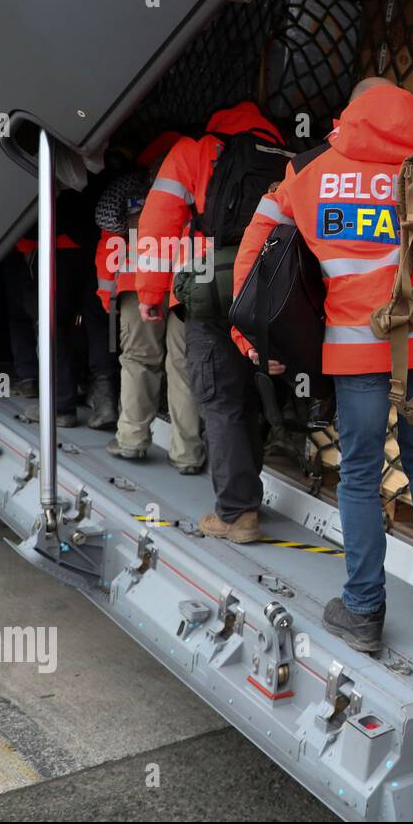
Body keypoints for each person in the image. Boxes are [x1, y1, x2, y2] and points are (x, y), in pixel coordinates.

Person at [233, 77, 413, 648]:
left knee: (361, 475)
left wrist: (249, 335)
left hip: (358, 348)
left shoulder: (308, 169)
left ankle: (365, 609)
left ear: (350, 113)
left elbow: (259, 251)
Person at [136, 101, 286, 542]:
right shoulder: (288, 156)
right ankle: (247, 498)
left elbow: (159, 223)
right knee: (253, 393)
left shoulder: (194, 150)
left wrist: (150, 291)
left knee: (219, 399)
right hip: (266, 289)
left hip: (208, 289)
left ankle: (237, 513)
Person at [96, 133, 205, 473]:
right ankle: (187, 454)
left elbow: (108, 240)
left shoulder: (126, 190)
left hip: (138, 281)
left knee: (139, 361)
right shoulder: (207, 180)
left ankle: (131, 439)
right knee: (184, 366)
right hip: (189, 284)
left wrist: (106, 295)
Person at [16, 187, 119, 429]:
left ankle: (60, 407)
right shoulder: (100, 163)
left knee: (54, 326)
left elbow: (28, 228)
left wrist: (25, 246)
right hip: (98, 250)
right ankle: (106, 404)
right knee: (99, 324)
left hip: (57, 253)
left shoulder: (54, 161)